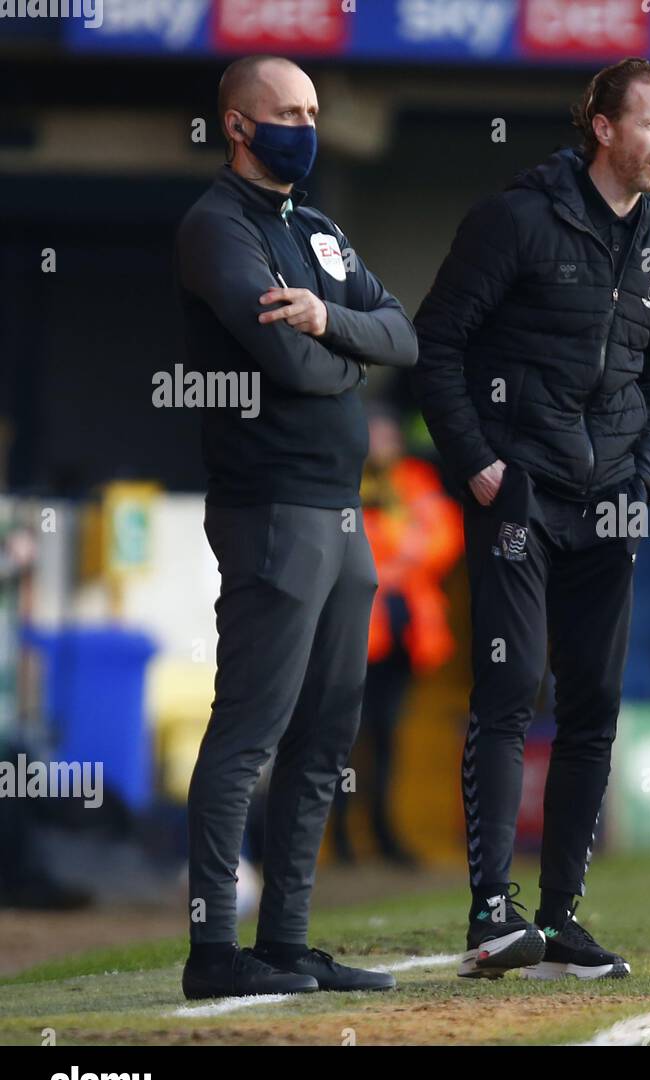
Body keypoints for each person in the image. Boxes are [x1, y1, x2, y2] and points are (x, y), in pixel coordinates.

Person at [411, 57, 650, 980]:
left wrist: (642, 486)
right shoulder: (516, 220)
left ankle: (561, 917)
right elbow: (436, 343)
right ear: (602, 127)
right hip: (520, 497)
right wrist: (480, 466)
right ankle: (490, 912)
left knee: (594, 707)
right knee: (509, 690)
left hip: (610, 510)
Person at [175, 55, 417, 999]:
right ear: (238, 126)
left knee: (326, 730)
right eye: (289, 111)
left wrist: (331, 321)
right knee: (251, 730)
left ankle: (285, 939)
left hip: (341, 507)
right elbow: (290, 367)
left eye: (314, 110)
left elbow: (405, 332)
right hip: (271, 504)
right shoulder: (215, 228)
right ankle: (211, 951)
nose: (307, 125)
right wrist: (335, 340)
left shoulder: (316, 229)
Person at [331, 407, 463, 866]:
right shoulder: (343, 479)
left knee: (388, 735)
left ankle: (384, 832)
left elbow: (444, 538)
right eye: (375, 435)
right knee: (345, 736)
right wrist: (399, 549)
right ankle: (341, 839)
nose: (383, 444)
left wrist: (393, 553)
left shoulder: (417, 480)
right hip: (356, 633)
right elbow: (352, 549)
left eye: (388, 435)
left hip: (407, 632)